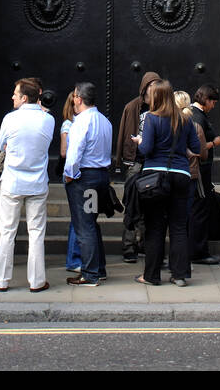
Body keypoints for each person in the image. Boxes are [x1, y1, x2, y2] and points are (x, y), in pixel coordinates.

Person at [134, 80, 200, 287]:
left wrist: (139, 141)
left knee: (155, 227)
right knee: (179, 227)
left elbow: (146, 150)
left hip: (155, 177)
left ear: (156, 97)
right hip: (181, 174)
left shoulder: (152, 119)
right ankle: (179, 275)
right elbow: (196, 147)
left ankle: (151, 276)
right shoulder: (186, 120)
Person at [0, 78, 54, 292]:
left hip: (12, 182)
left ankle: (1, 280)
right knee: (36, 233)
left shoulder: (10, 119)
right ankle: (37, 281)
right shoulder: (48, 119)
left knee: (7, 232)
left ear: (24, 98)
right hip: (37, 182)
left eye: (15, 94)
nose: (12, 97)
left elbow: (2, 144)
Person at [64, 81, 113, 286]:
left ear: (78, 98)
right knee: (91, 224)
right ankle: (98, 269)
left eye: (75, 96)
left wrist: (69, 174)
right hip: (100, 176)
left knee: (84, 226)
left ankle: (90, 273)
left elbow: (74, 153)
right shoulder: (104, 121)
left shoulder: (81, 122)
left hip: (84, 179)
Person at [115, 71, 161, 263]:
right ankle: (129, 245)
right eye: (151, 86)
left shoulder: (162, 107)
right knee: (132, 202)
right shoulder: (132, 107)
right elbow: (124, 133)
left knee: (151, 204)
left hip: (154, 162)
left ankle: (145, 244)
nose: (153, 89)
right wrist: (123, 159)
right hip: (136, 161)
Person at [189, 84, 220, 266]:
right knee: (199, 210)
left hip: (202, 169)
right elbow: (197, 147)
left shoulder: (198, 115)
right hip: (200, 169)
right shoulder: (197, 117)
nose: (214, 106)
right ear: (207, 100)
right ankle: (198, 251)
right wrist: (214, 142)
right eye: (213, 102)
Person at [58, 91, 81, 274]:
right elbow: (64, 151)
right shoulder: (68, 124)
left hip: (81, 174)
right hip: (72, 173)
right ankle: (73, 259)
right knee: (76, 218)